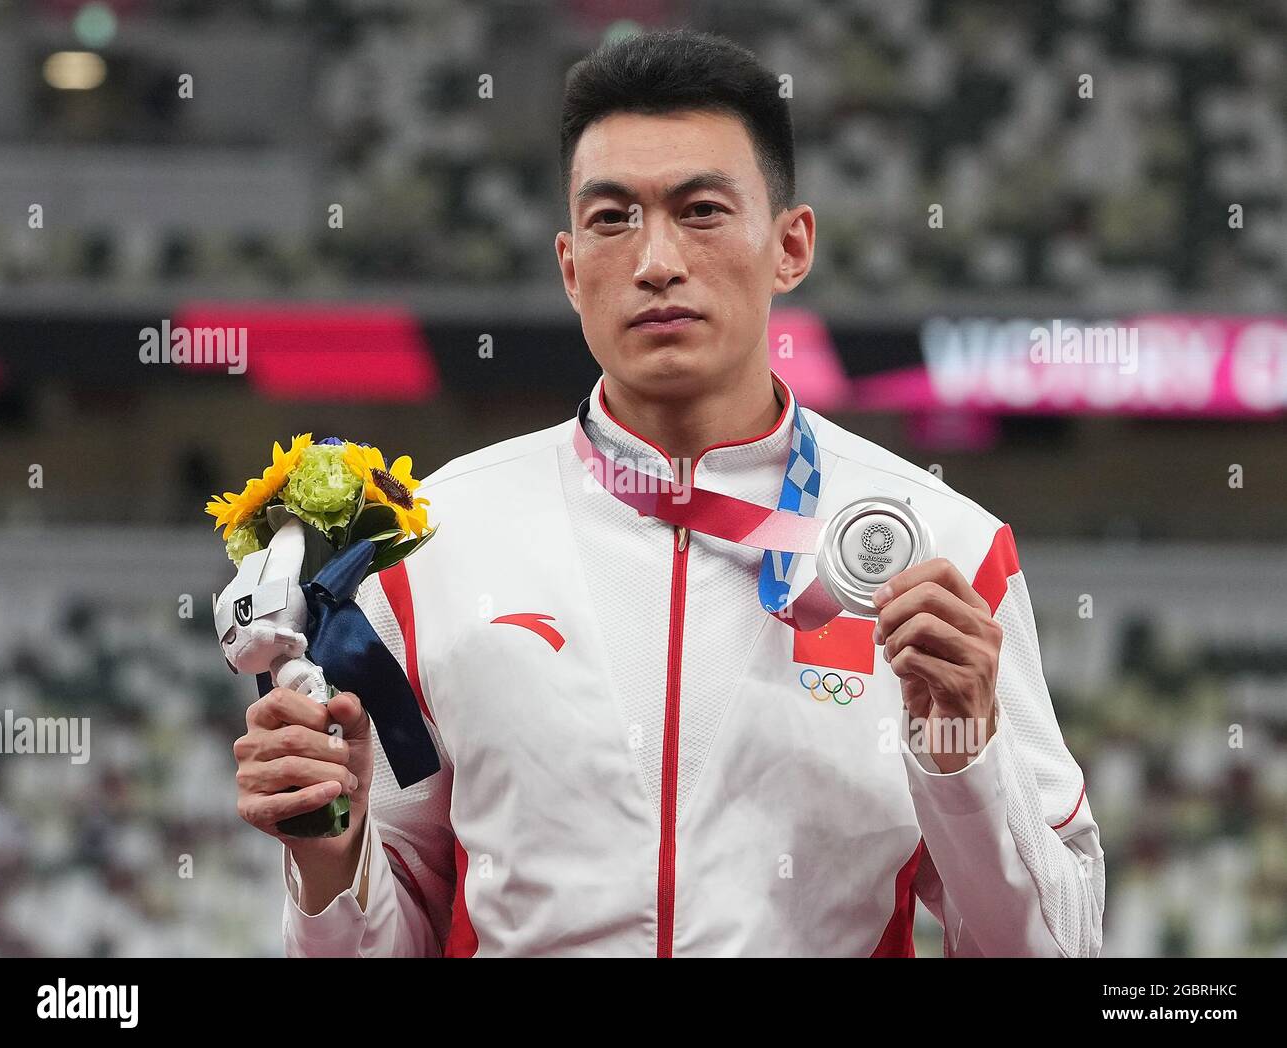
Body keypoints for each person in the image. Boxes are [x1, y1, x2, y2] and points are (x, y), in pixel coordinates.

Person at [232, 28, 1104, 957]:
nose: (655, 261)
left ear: (791, 246)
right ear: (570, 267)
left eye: (700, 211)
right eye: (613, 218)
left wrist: (963, 756)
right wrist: (329, 856)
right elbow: (394, 920)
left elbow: (1055, 950)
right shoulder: (431, 547)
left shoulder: (946, 550)